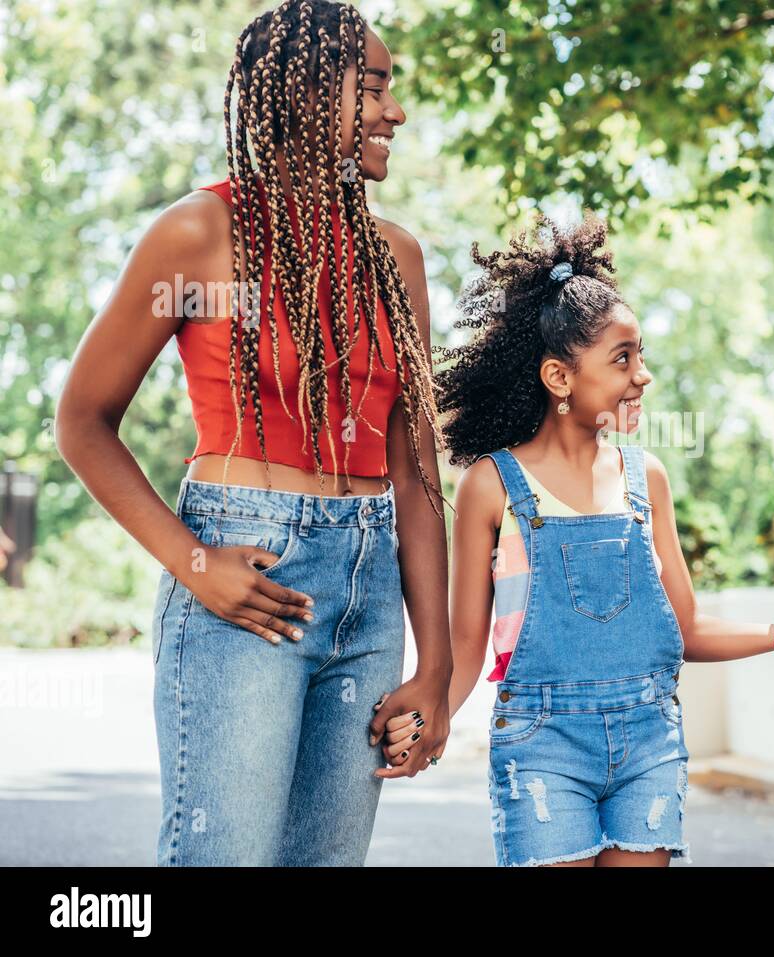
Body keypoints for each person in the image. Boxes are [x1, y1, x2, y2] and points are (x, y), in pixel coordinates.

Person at [55, 0, 452, 866]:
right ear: (309, 93)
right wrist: (195, 563)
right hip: (247, 574)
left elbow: (419, 474)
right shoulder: (197, 232)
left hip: (370, 590)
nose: (397, 110)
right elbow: (83, 422)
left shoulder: (399, 256)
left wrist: (438, 668)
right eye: (376, 86)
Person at [376, 214, 774, 866]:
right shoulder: (491, 487)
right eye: (623, 357)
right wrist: (428, 720)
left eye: (642, 355)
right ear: (559, 378)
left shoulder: (646, 480)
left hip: (648, 743)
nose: (643, 376)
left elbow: (685, 628)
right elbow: (464, 652)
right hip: (541, 744)